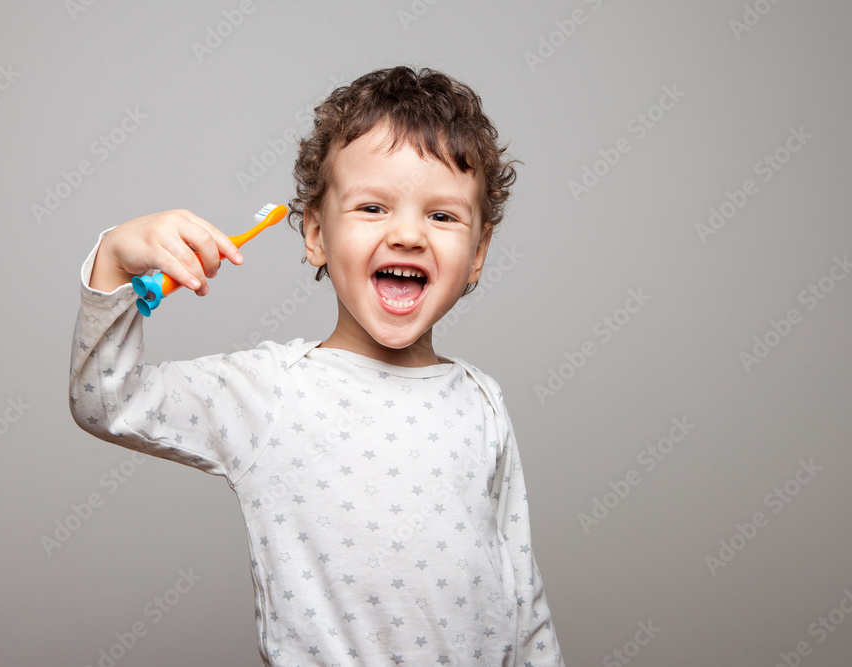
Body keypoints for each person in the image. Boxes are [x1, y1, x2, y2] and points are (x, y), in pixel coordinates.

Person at [69, 65, 565, 666]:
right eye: (373, 207)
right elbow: (108, 400)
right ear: (314, 236)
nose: (408, 234)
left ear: (478, 253)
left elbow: (521, 592)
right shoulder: (271, 392)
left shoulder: (483, 400)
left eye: (442, 216)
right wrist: (115, 259)